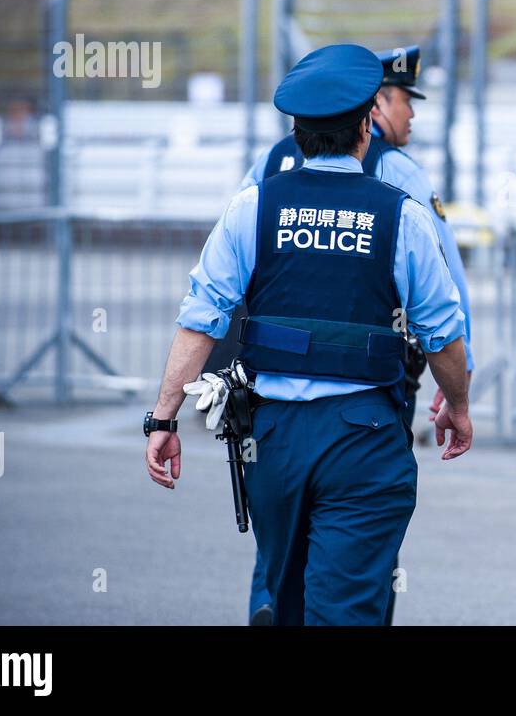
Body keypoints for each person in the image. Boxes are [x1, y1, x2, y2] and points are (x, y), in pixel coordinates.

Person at [143, 43, 472, 626]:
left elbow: (201, 316)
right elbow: (443, 329)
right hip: (363, 435)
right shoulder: (400, 213)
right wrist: (459, 403)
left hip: (272, 441)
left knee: (283, 598)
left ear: (295, 130)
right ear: (367, 127)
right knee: (344, 605)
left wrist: (165, 417)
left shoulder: (254, 205)